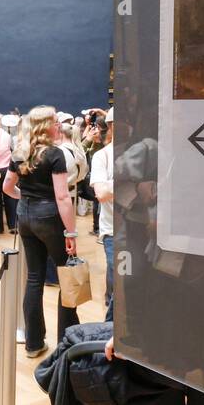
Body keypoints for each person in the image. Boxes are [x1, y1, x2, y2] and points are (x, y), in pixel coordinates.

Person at [3, 105, 79, 358]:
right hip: (50, 218)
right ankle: (67, 342)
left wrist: (24, 198)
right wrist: (71, 233)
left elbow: (7, 187)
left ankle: (33, 343)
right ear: (45, 125)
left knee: (34, 278)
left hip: (25, 216)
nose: (59, 125)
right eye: (55, 121)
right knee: (66, 276)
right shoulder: (55, 154)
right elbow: (62, 196)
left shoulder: (20, 153)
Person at [90, 109, 116, 321]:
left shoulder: (146, 153)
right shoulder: (102, 155)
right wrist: (134, 182)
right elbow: (101, 193)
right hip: (113, 228)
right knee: (116, 272)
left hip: (143, 227)